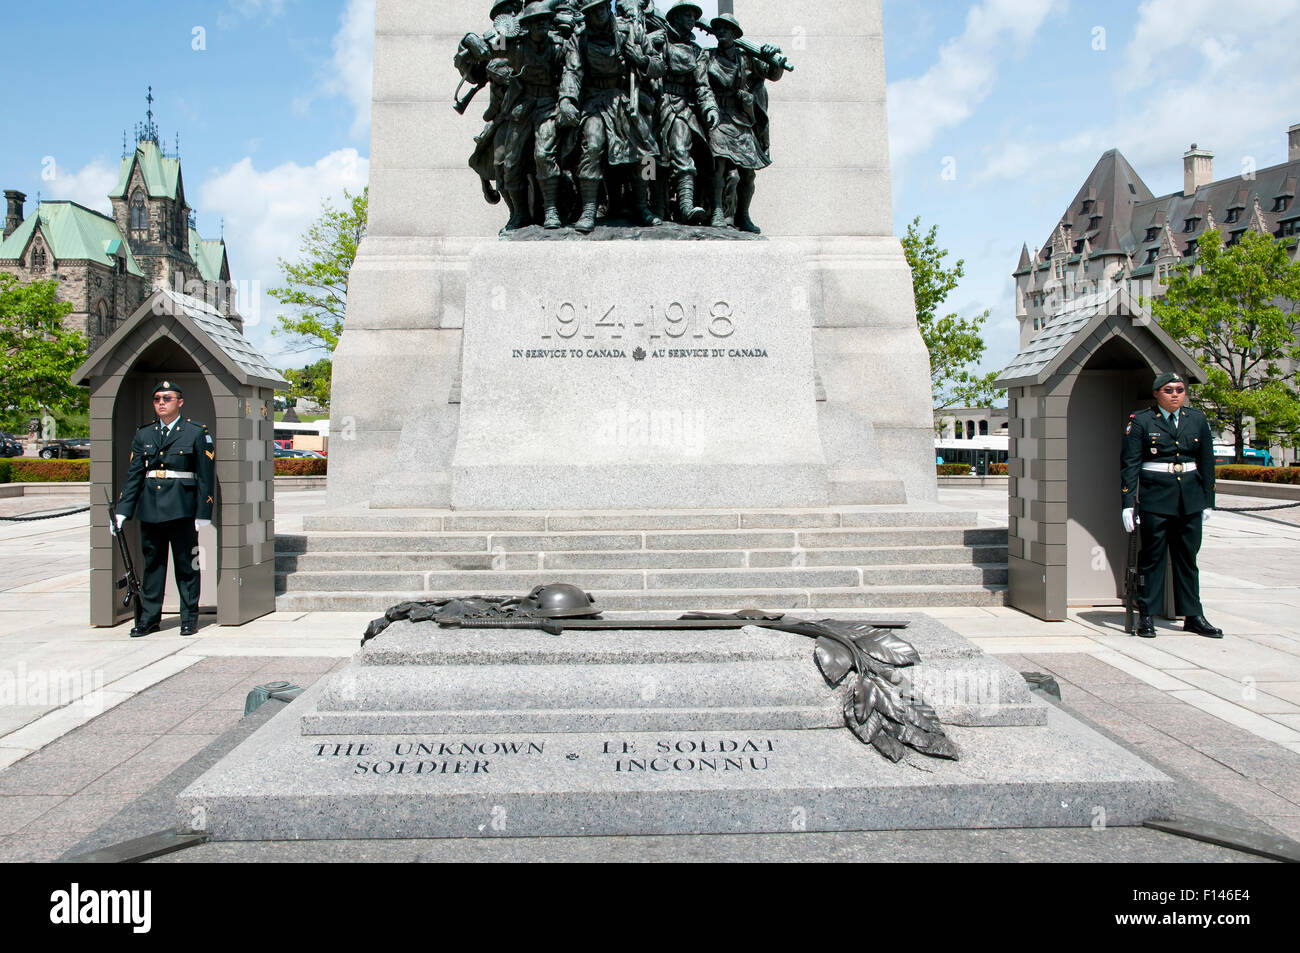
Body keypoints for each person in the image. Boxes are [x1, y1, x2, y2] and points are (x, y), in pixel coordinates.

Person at [1120, 371, 1222, 639]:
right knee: (1152, 559)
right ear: (1156, 393)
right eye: (1168, 390)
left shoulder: (1197, 419)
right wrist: (1128, 503)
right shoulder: (1140, 421)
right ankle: (1147, 615)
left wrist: (1208, 500)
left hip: (1189, 498)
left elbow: (1207, 462)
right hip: (1156, 498)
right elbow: (1130, 464)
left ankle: (1193, 615)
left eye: (1179, 389)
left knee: (1187, 558)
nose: (1175, 394)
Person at [114, 381, 216, 637]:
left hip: (182, 509)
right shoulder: (144, 434)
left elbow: (205, 476)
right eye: (157, 398)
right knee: (153, 567)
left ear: (179, 402)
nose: (161, 402)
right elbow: (135, 475)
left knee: (186, 567)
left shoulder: (195, 432)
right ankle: (149, 619)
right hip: (151, 509)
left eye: (167, 398)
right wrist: (122, 510)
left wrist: (203, 513)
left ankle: (188, 618)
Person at [559, 0, 663, 232]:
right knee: (592, 145)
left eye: (601, 9)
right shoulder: (580, 37)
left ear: (609, 8)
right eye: (591, 11)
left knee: (647, 154)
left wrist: (641, 58)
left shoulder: (631, 31)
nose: (597, 15)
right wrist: (567, 99)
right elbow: (572, 71)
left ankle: (642, 205)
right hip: (595, 100)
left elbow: (659, 64)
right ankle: (588, 209)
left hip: (626, 99)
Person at [703, 13, 783, 232]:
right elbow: (701, 86)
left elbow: (773, 74)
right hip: (718, 114)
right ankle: (718, 211)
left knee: (747, 173)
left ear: (735, 34)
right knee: (720, 167)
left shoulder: (746, 59)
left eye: (727, 28)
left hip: (740, 119)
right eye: (718, 28)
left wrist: (775, 53)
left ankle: (743, 215)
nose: (721, 31)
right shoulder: (707, 56)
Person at [500, 1, 568, 229]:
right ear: (527, 24)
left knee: (544, 154)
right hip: (523, 106)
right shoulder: (515, 46)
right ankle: (519, 214)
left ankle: (551, 211)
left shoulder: (558, 47)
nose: (543, 24)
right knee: (510, 161)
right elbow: (489, 56)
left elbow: (570, 75)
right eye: (537, 21)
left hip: (548, 105)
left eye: (546, 20)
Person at [654, 2, 718, 225]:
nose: (692, 19)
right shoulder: (659, 40)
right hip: (656, 105)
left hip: (682, 107)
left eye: (694, 15)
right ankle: (656, 207)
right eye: (687, 15)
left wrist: (709, 106)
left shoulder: (697, 51)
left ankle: (686, 207)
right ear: (675, 18)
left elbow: (702, 85)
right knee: (652, 160)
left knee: (682, 150)